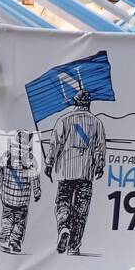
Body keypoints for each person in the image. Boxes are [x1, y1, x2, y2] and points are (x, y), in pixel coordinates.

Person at [45, 89, 106, 255]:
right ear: (89, 104)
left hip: (65, 171)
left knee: (63, 202)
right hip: (86, 173)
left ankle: (64, 226)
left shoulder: (63, 120)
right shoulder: (97, 123)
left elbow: (54, 145)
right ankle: (73, 246)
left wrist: (49, 164)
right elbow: (100, 148)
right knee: (81, 210)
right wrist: (100, 166)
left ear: (75, 102)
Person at [0, 130, 42, 254]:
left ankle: (4, 242)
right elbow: (34, 177)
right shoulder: (29, 160)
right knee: (20, 223)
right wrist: (37, 192)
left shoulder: (7, 156)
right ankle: (15, 242)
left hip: (8, 197)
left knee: (7, 220)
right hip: (23, 200)